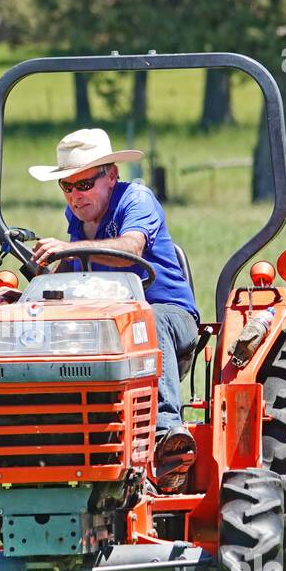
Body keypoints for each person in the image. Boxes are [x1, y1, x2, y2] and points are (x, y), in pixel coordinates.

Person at [28, 127, 199, 491]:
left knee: (147, 319)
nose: (76, 195)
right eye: (67, 187)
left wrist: (68, 250)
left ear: (111, 175)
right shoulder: (77, 216)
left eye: (85, 184)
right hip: (107, 324)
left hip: (167, 315)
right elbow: (73, 271)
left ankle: (167, 435)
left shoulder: (137, 200)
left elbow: (131, 249)